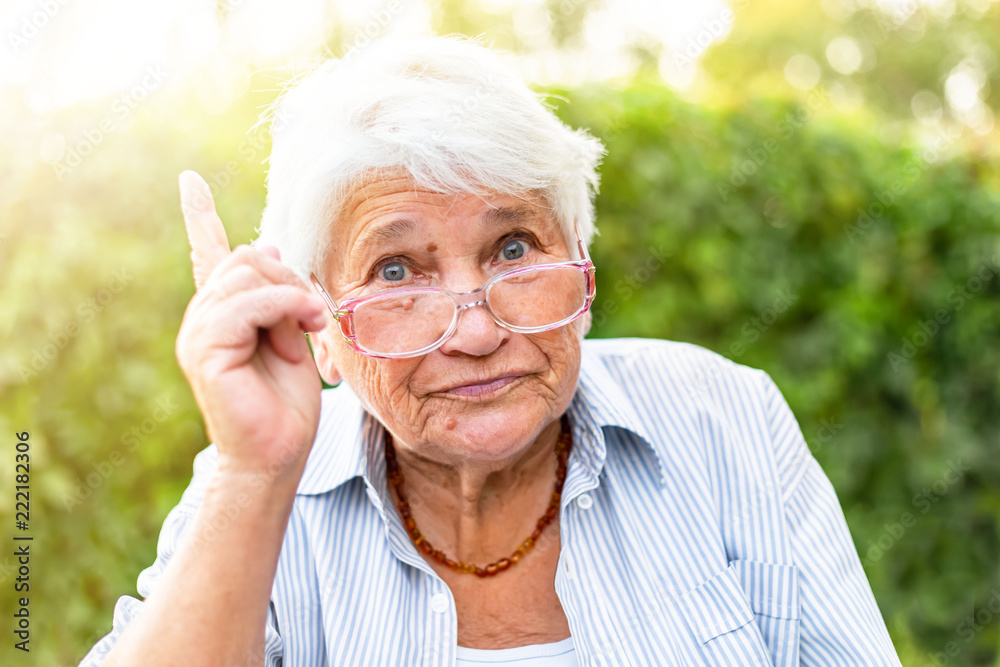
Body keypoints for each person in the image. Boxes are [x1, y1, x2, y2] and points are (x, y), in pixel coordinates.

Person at [80, 36, 902, 666]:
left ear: (581, 258)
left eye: (513, 248)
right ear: (320, 325)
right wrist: (251, 474)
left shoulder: (724, 420)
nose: (476, 332)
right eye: (396, 269)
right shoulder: (255, 491)